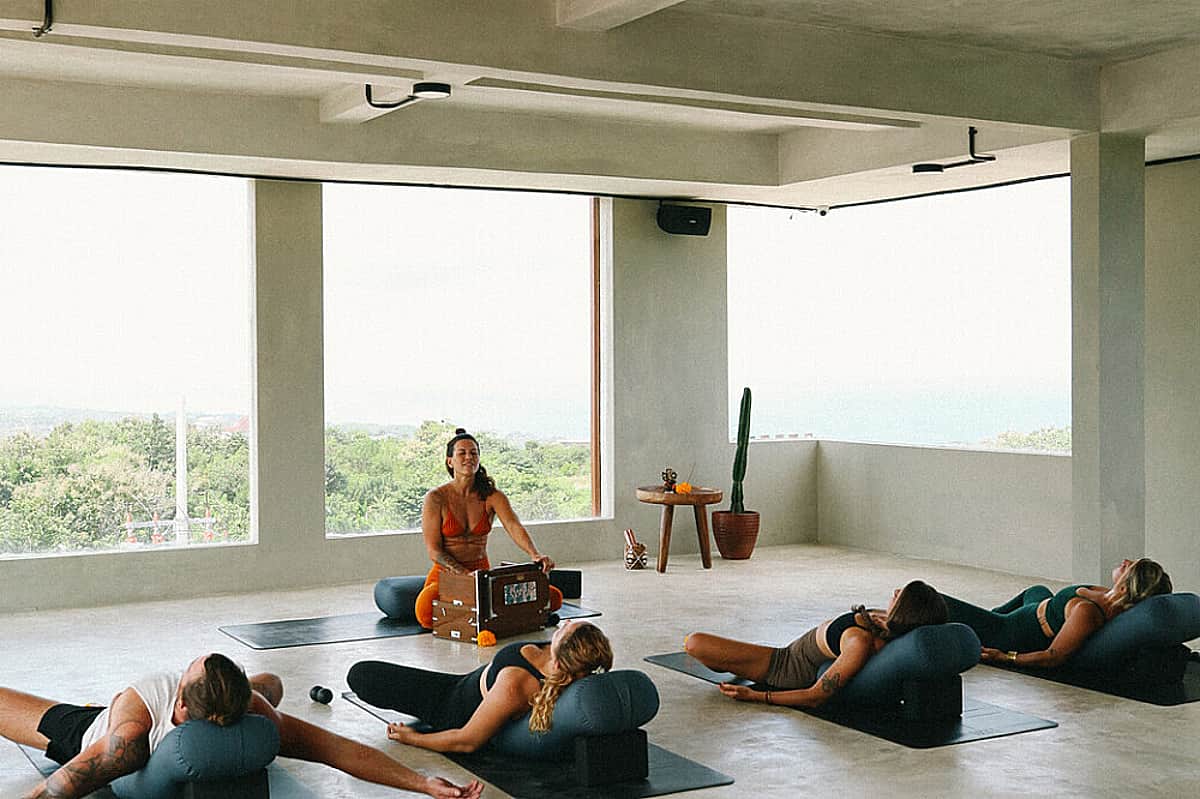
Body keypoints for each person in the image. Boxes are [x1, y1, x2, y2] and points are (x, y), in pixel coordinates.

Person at [0, 652, 482, 799]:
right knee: (269, 682)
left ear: (186, 711)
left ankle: (264, 681)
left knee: (266, 686)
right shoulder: (133, 719)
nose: (185, 662)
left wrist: (423, 784)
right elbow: (73, 774)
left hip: (104, 728)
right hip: (94, 725)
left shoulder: (253, 710)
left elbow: (338, 749)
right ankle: (266, 680)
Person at [347, 620, 611, 753]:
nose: (563, 623)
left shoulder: (516, 684)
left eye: (566, 627)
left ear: (560, 653)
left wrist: (412, 738)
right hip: (462, 682)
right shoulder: (573, 664)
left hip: (447, 707)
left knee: (362, 675)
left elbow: (467, 741)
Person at [683, 580, 947, 708]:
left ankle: (738, 667)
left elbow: (816, 696)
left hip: (781, 669)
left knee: (694, 643)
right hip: (786, 652)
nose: (895, 592)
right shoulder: (883, 622)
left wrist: (757, 696)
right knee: (711, 658)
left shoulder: (860, 641)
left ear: (906, 611)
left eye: (902, 595)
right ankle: (731, 666)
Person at [415, 427, 563, 628]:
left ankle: (479, 611)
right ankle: (492, 612)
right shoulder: (436, 498)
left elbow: (513, 525)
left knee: (554, 598)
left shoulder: (492, 496)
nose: (469, 457)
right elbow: (434, 550)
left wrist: (535, 554)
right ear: (450, 461)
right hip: (447, 574)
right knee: (424, 614)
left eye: (474, 453)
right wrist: (464, 575)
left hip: (482, 574)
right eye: (462, 453)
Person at [942, 557, 1173, 669]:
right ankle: (980, 619)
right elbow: (1085, 592)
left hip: (1010, 630)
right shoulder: (1111, 597)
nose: (1125, 561)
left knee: (934, 598)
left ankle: (980, 625)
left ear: (1125, 587)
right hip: (1036, 608)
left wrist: (1005, 656)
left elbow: (1053, 656)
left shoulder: (1087, 612)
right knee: (1036, 590)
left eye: (1129, 567)